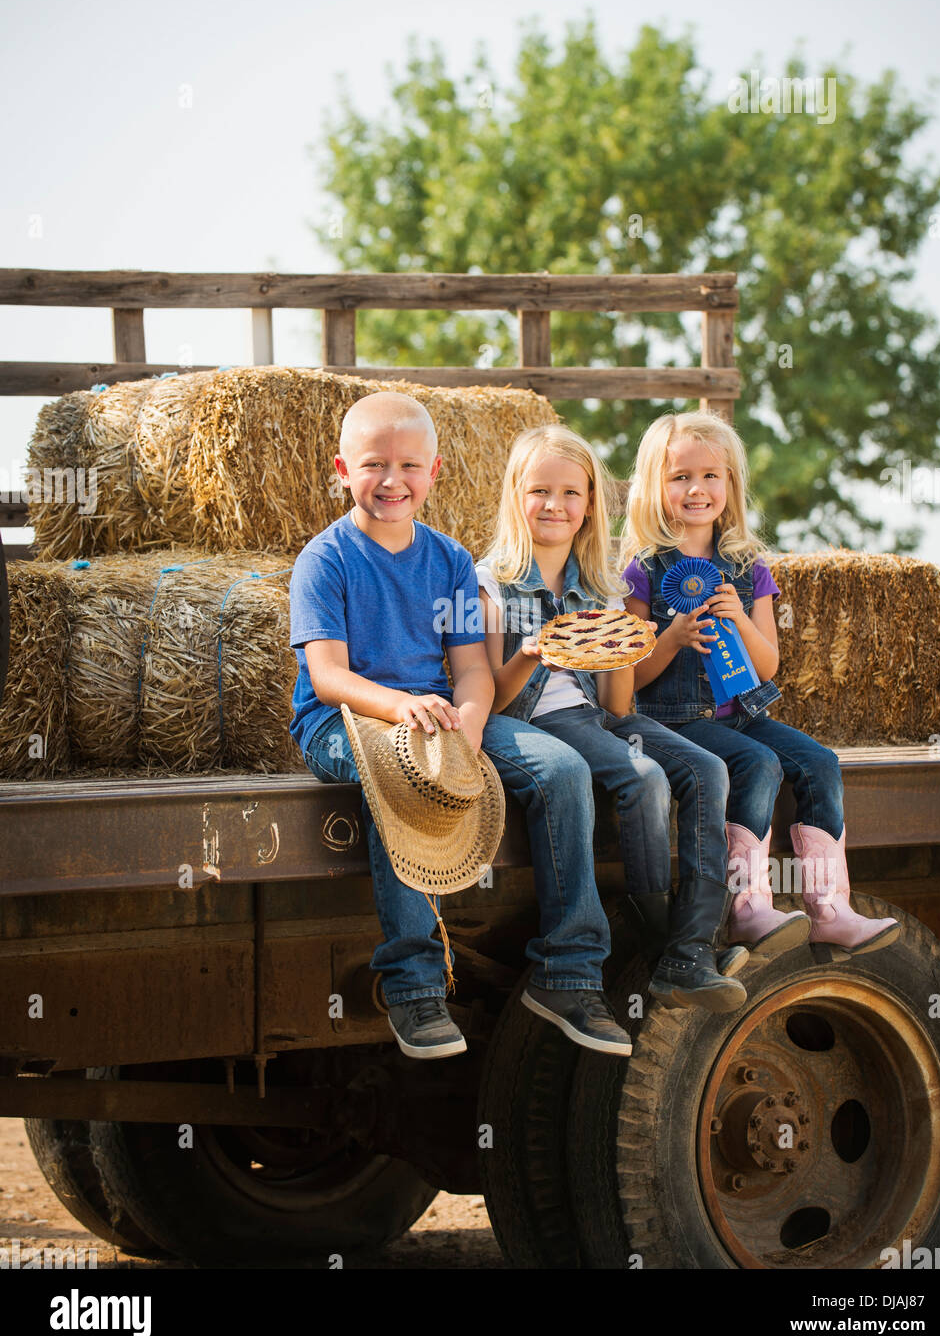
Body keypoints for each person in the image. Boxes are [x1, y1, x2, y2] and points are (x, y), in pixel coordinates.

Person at [289, 391, 631, 1060]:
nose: (393, 481)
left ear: (435, 471)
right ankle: (415, 986)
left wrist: (469, 728)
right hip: (347, 721)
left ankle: (569, 973)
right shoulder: (325, 560)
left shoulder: (447, 560)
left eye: (409, 465)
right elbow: (328, 676)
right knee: (402, 773)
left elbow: (472, 670)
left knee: (562, 770)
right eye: (374, 465)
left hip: (443, 717)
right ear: (341, 469)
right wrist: (402, 711)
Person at [476, 422, 751, 1013]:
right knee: (646, 779)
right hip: (536, 724)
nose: (556, 505)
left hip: (593, 718)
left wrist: (630, 645)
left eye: (572, 493)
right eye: (540, 491)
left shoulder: (599, 586)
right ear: (515, 496)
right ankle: (659, 942)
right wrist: (530, 653)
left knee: (707, 771)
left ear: (591, 505)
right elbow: (490, 703)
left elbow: (618, 708)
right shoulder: (489, 585)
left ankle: (692, 947)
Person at [620, 410, 900, 962]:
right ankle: (746, 905)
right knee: (757, 764)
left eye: (710, 476)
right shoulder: (643, 571)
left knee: (820, 761)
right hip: (674, 719)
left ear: (730, 484)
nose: (696, 489)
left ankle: (830, 909)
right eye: (679, 477)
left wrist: (742, 620)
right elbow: (628, 681)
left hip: (744, 712)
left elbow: (768, 666)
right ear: (655, 484)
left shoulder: (749, 569)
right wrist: (672, 638)